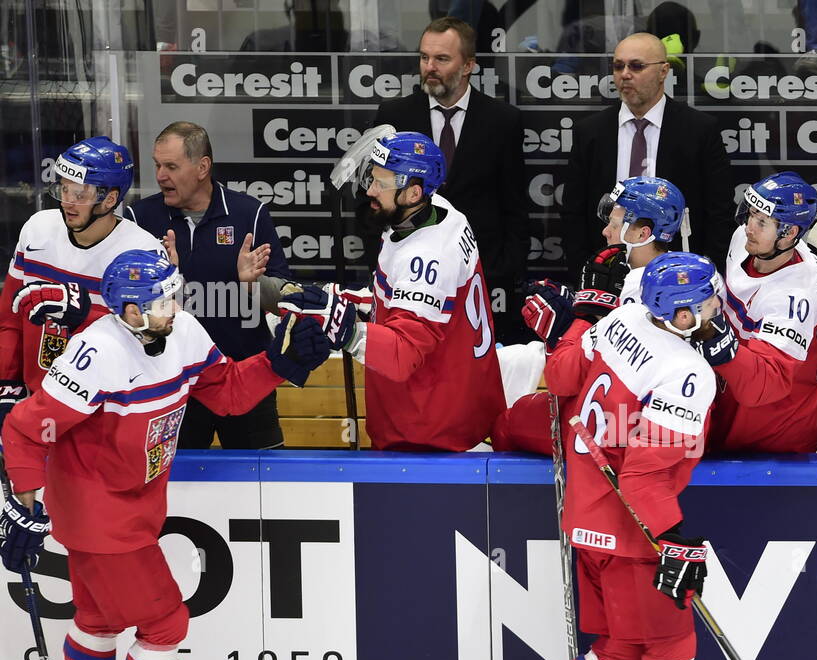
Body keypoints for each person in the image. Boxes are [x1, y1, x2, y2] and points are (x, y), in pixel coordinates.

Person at [0, 250, 328, 660]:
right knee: (164, 623)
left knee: (97, 620)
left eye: (175, 295)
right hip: (99, 514)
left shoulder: (182, 331)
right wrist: (25, 507)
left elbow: (224, 393)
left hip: (134, 505)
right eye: (161, 301)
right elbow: (25, 430)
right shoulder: (94, 354)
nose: (173, 307)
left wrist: (278, 364)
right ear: (128, 311)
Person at [479, 252, 724, 660]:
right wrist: (674, 538)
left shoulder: (618, 322)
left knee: (620, 649)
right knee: (670, 653)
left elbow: (560, 377)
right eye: (709, 301)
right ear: (683, 315)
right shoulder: (687, 373)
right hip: (632, 532)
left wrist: (577, 329)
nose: (718, 307)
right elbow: (642, 473)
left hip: (585, 517)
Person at [282, 131, 505, 452]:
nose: (371, 190)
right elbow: (398, 301)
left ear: (414, 193)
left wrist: (343, 330)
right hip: (450, 412)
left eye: (381, 184)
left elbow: (402, 355)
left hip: (430, 436)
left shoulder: (425, 259)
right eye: (373, 178)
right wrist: (341, 300)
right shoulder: (438, 211)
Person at [126, 122, 294, 450]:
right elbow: (124, 310)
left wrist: (253, 285)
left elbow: (284, 302)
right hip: (171, 384)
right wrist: (163, 284)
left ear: (202, 167)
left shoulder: (250, 214)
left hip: (244, 378)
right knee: (174, 490)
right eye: (157, 165)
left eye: (171, 166)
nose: (160, 175)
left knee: (261, 487)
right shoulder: (138, 219)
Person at [493, 176, 687, 455]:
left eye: (616, 224)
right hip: (662, 422)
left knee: (509, 421)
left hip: (622, 426)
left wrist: (565, 332)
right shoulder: (685, 274)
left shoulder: (637, 291)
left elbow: (568, 380)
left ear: (642, 234)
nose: (606, 232)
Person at [367, 17, 529, 344]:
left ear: (468, 65)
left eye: (441, 59)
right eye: (424, 57)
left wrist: (502, 272)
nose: (430, 67)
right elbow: (374, 198)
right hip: (409, 279)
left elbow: (514, 207)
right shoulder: (394, 115)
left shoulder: (503, 120)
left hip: (481, 277)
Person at [0, 137, 164, 406]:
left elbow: (154, 345)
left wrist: (85, 314)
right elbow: (10, 317)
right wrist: (7, 383)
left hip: (107, 412)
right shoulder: (37, 230)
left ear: (110, 199)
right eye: (64, 189)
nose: (67, 202)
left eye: (80, 194)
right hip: (38, 404)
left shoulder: (142, 254)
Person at [560, 32, 734, 278]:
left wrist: (703, 276)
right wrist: (586, 274)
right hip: (604, 273)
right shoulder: (591, 132)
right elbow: (573, 213)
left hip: (678, 277)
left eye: (637, 66)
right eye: (618, 66)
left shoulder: (699, 131)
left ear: (663, 71)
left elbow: (719, 212)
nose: (625, 74)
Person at [707, 171, 817, 454]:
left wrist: (715, 340)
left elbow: (764, 385)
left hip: (777, 436)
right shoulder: (744, 240)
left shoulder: (795, 299)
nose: (749, 227)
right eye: (750, 215)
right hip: (732, 410)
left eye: (762, 222)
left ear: (791, 233)